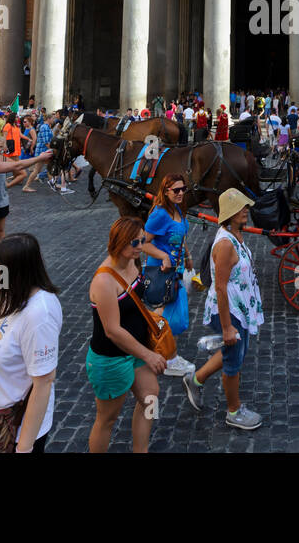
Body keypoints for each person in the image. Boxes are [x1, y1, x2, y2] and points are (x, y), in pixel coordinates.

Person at [181, 188, 264, 430]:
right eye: (242, 207)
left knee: (233, 353)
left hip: (240, 309)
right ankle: (234, 411)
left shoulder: (235, 234)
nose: (246, 210)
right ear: (230, 213)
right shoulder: (226, 244)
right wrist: (227, 328)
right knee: (233, 362)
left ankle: (195, 380)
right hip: (230, 312)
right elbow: (221, 289)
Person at [85, 216, 167, 452]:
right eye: (135, 243)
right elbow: (112, 330)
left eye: (142, 240)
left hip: (136, 350)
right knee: (107, 420)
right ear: (118, 244)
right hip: (111, 358)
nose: (141, 247)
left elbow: (136, 301)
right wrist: (149, 355)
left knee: (151, 397)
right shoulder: (104, 281)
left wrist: (154, 314)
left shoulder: (133, 261)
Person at [0, 233, 62, 453]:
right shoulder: (10, 294)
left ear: (10, 271)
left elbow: (43, 384)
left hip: (15, 430)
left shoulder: (38, 316)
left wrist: (24, 447)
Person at [140, 174, 195, 378]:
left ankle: (165, 354)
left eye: (183, 189)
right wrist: (163, 255)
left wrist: (188, 255)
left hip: (176, 270)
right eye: (176, 190)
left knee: (172, 315)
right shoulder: (160, 214)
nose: (181, 193)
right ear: (165, 191)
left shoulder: (177, 210)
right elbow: (141, 243)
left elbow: (180, 236)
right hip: (162, 271)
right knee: (165, 315)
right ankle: (165, 357)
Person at [0, 132, 51, 265]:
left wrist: (8, 186)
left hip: (0, 202)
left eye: (1, 147)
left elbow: (22, 172)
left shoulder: (5, 160)